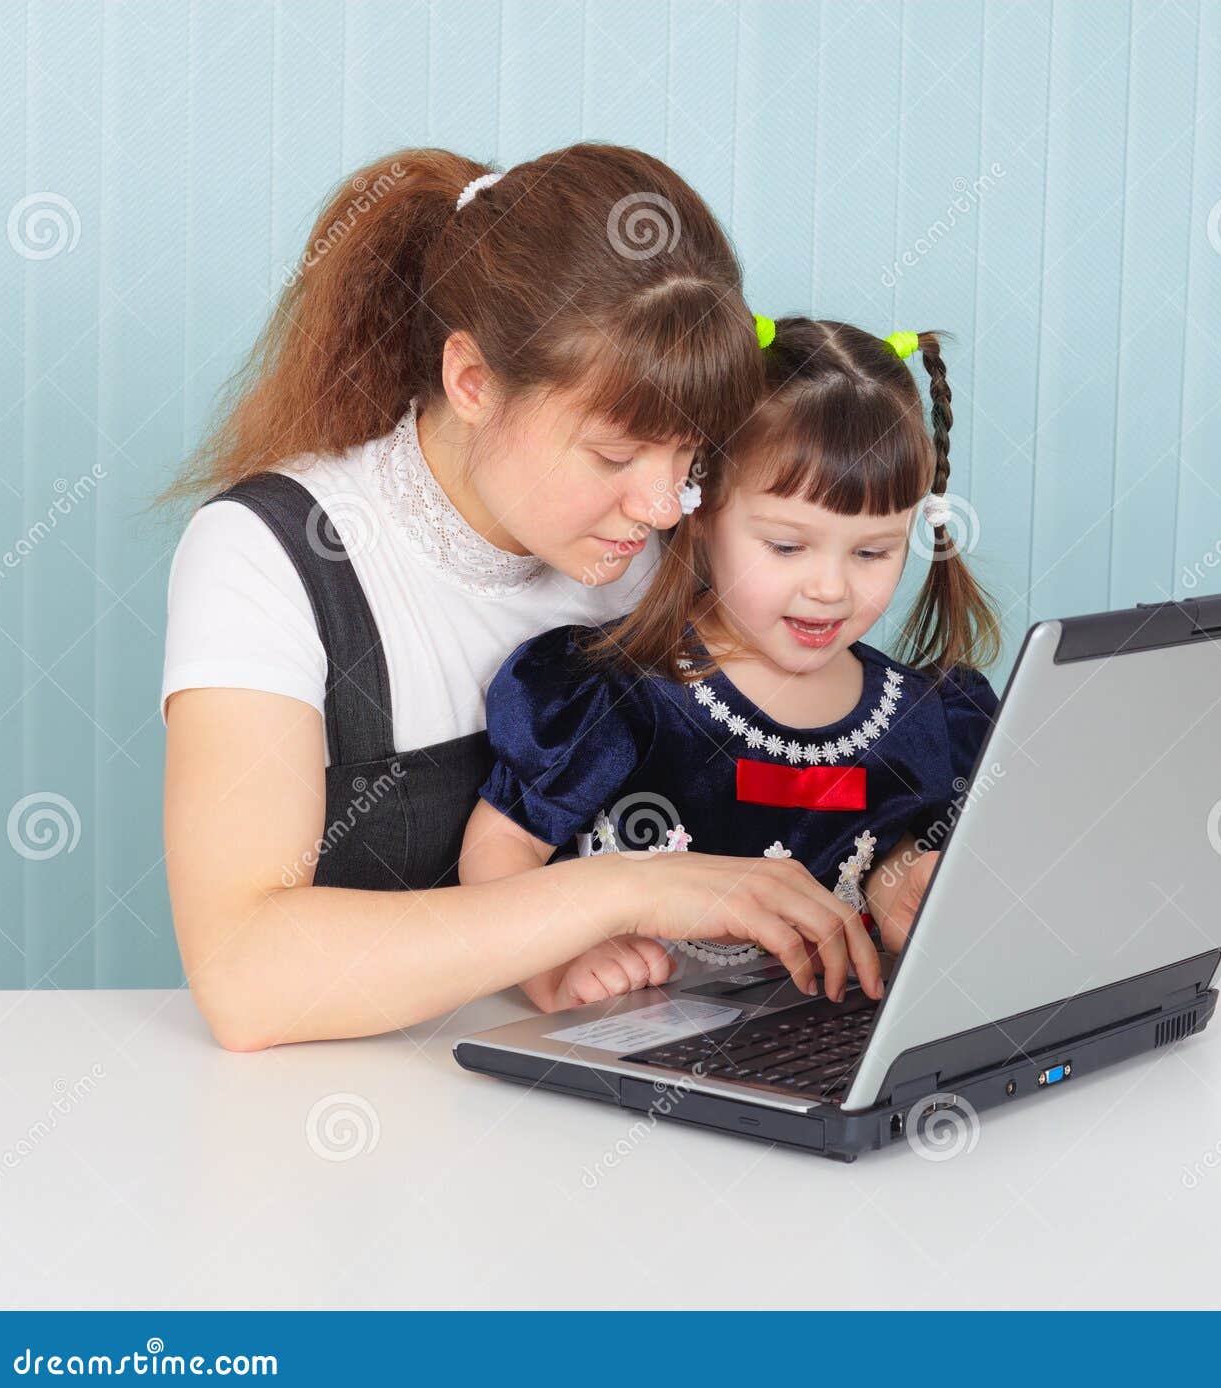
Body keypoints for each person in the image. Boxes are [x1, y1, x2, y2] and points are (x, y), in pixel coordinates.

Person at [160, 146, 875, 1052]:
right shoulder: (271, 555)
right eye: (615, 457)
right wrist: (633, 888)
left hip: (613, 1089)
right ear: (472, 381)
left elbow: (798, 769)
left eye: (690, 456)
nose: (663, 507)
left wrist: (891, 866)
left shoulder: (658, 543)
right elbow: (243, 977)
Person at [459, 316, 1000, 1015]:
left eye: (872, 553)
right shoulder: (622, 698)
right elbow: (499, 845)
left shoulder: (924, 718)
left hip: (805, 1058)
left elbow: (863, 828)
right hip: (628, 1053)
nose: (831, 587)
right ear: (701, 508)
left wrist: (899, 883)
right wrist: (559, 959)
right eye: (785, 546)